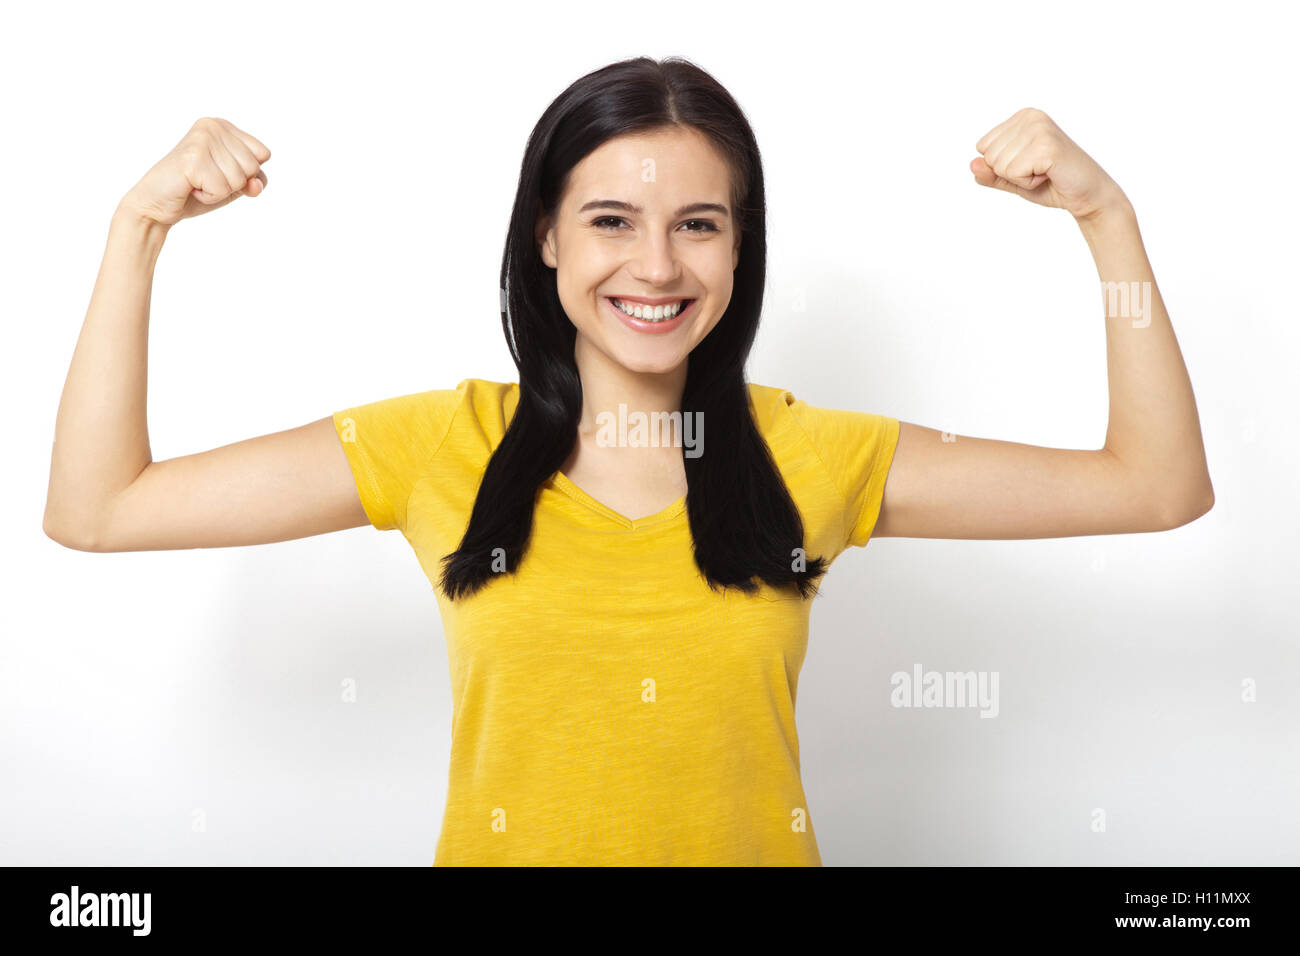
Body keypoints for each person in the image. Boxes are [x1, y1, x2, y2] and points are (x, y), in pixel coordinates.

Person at [42, 56, 1214, 866]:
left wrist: (1102, 216)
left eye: (697, 223)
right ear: (545, 237)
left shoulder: (811, 453)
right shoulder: (435, 444)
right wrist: (135, 228)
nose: (655, 265)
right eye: (610, 219)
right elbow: (99, 507)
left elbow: (1154, 484)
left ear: (739, 247)